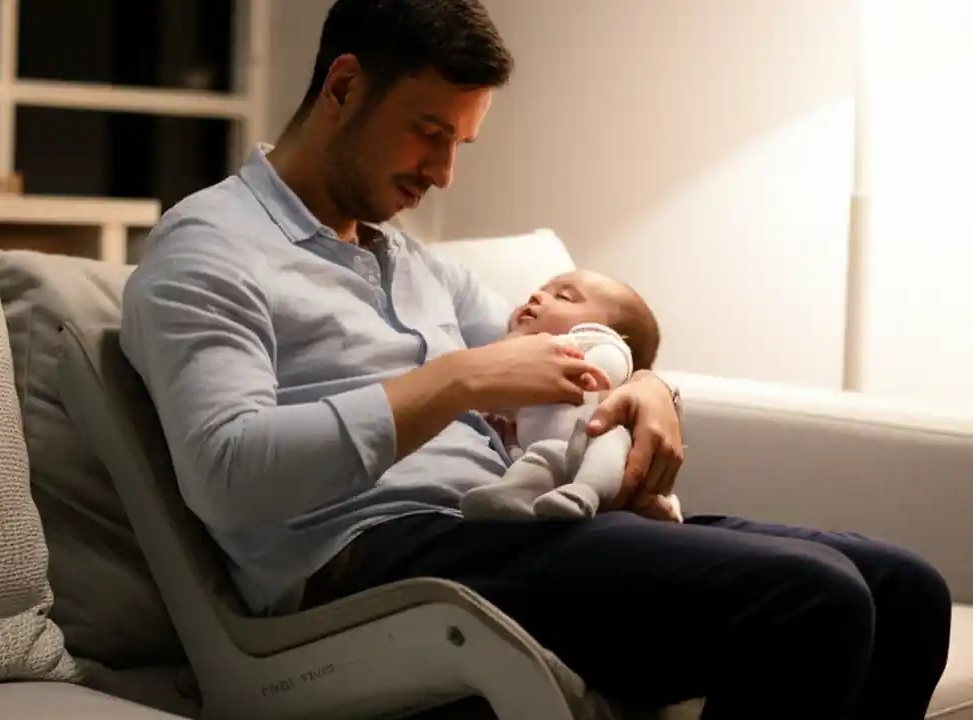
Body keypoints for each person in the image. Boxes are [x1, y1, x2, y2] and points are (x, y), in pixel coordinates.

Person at [119, 0, 951, 716]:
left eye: (460, 143)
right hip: (375, 565)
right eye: (429, 133)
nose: (443, 173)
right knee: (810, 598)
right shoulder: (210, 247)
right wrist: (457, 379)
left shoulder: (408, 260)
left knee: (906, 589)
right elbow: (225, 472)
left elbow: (572, 355)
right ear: (343, 88)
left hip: (507, 529)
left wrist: (649, 386)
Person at [461, 270, 684, 523]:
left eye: (564, 297)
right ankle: (509, 498)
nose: (535, 296)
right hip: (550, 456)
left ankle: (586, 492)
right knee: (538, 461)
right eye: (541, 290)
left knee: (605, 450)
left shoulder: (601, 354)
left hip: (600, 444)